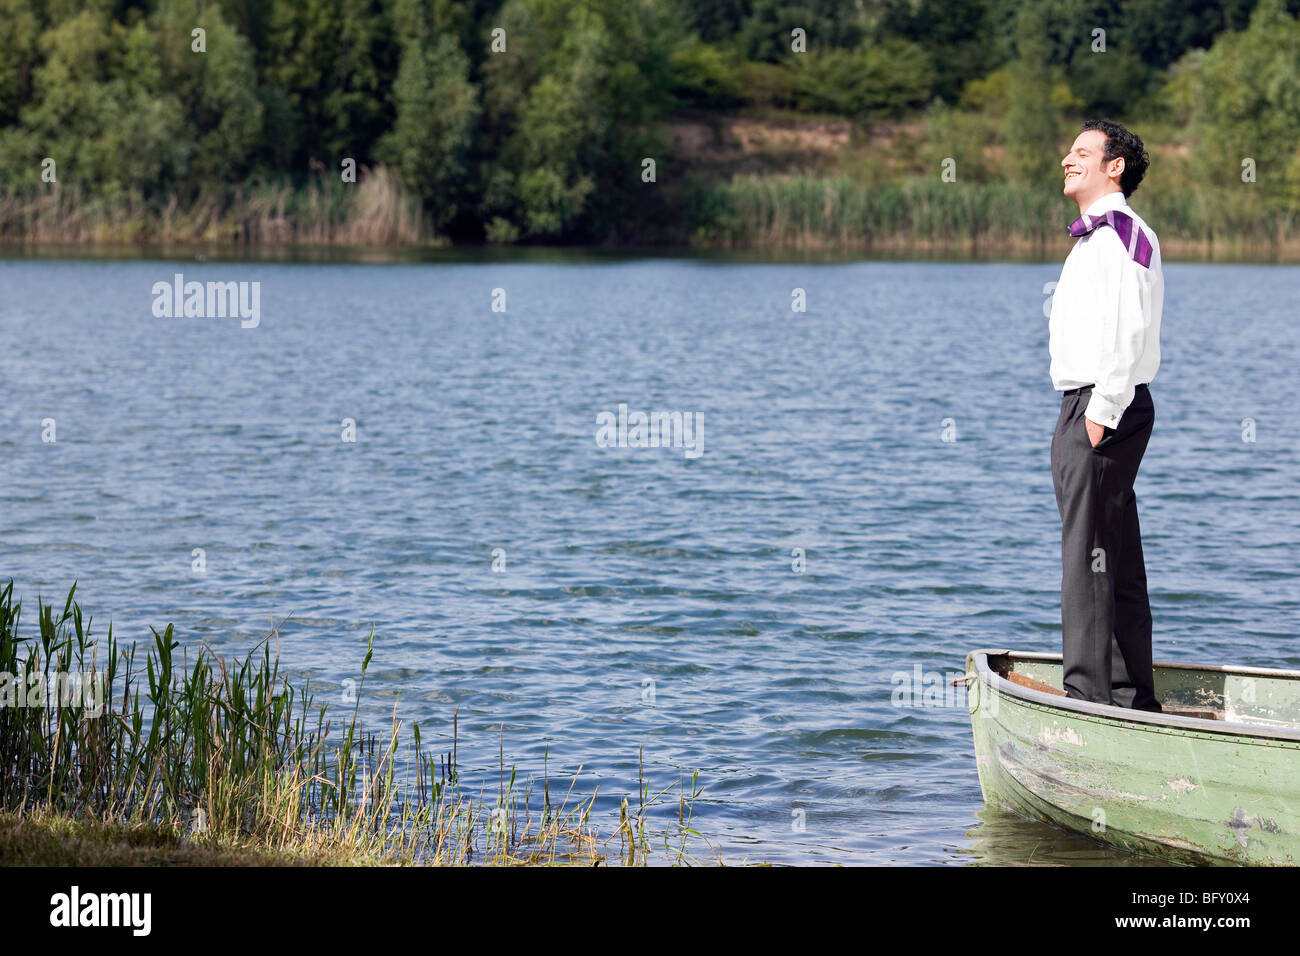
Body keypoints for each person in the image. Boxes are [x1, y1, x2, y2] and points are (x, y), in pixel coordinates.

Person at [1049, 119, 1163, 711]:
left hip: (1100, 402)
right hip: (1095, 401)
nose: (1067, 159)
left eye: (1082, 152)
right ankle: (1127, 694)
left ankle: (1087, 698)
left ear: (1114, 165)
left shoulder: (1121, 232)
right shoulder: (1098, 236)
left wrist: (1103, 409)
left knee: (1086, 554)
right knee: (1112, 552)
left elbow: (1129, 328)